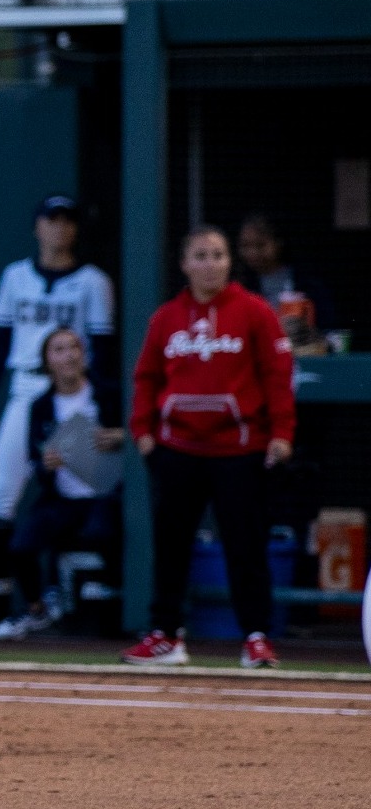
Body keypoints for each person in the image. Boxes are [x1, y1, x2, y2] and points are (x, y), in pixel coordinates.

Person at [125, 225, 295, 670]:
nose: (210, 263)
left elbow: (278, 376)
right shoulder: (166, 318)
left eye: (218, 255)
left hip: (239, 449)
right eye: (200, 255)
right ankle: (166, 635)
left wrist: (282, 433)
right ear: (184, 264)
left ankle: (256, 638)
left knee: (246, 545)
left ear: (229, 262)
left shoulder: (255, 312)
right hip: (177, 447)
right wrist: (143, 430)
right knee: (171, 544)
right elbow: (146, 377)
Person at [0, 196, 116, 522]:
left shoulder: (93, 281)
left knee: (90, 490)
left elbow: (104, 351)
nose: (60, 228)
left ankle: (83, 572)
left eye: (67, 221)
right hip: (26, 386)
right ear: (38, 227)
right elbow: (1, 340)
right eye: (52, 220)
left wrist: (103, 404)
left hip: (73, 393)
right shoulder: (15, 276)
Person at [0, 328, 123, 641]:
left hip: (104, 496)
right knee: (21, 546)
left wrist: (120, 437)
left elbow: (136, 437)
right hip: (62, 498)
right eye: (59, 349)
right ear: (47, 362)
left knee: (102, 534)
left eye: (75, 347)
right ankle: (37, 610)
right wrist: (46, 465)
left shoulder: (109, 394)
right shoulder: (41, 406)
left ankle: (109, 611)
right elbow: (36, 461)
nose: (69, 355)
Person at [236, 213, 333, 354]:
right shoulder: (240, 285)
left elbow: (328, 328)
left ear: (278, 243)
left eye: (260, 245)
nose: (252, 253)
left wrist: (308, 331)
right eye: (245, 245)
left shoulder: (306, 281)